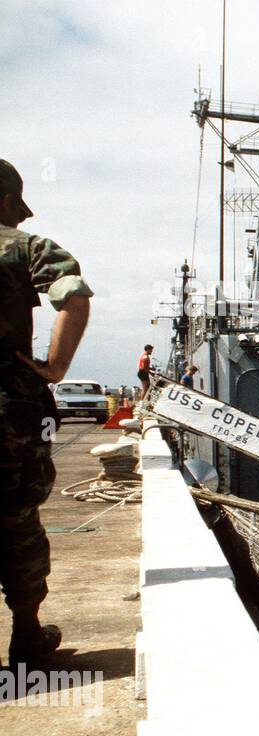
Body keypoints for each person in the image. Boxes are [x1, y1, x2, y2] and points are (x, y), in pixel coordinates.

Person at [1, 158, 93, 666]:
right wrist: (55, 367)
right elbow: (72, 296)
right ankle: (26, 635)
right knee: (16, 518)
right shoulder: (22, 248)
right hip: (8, 406)